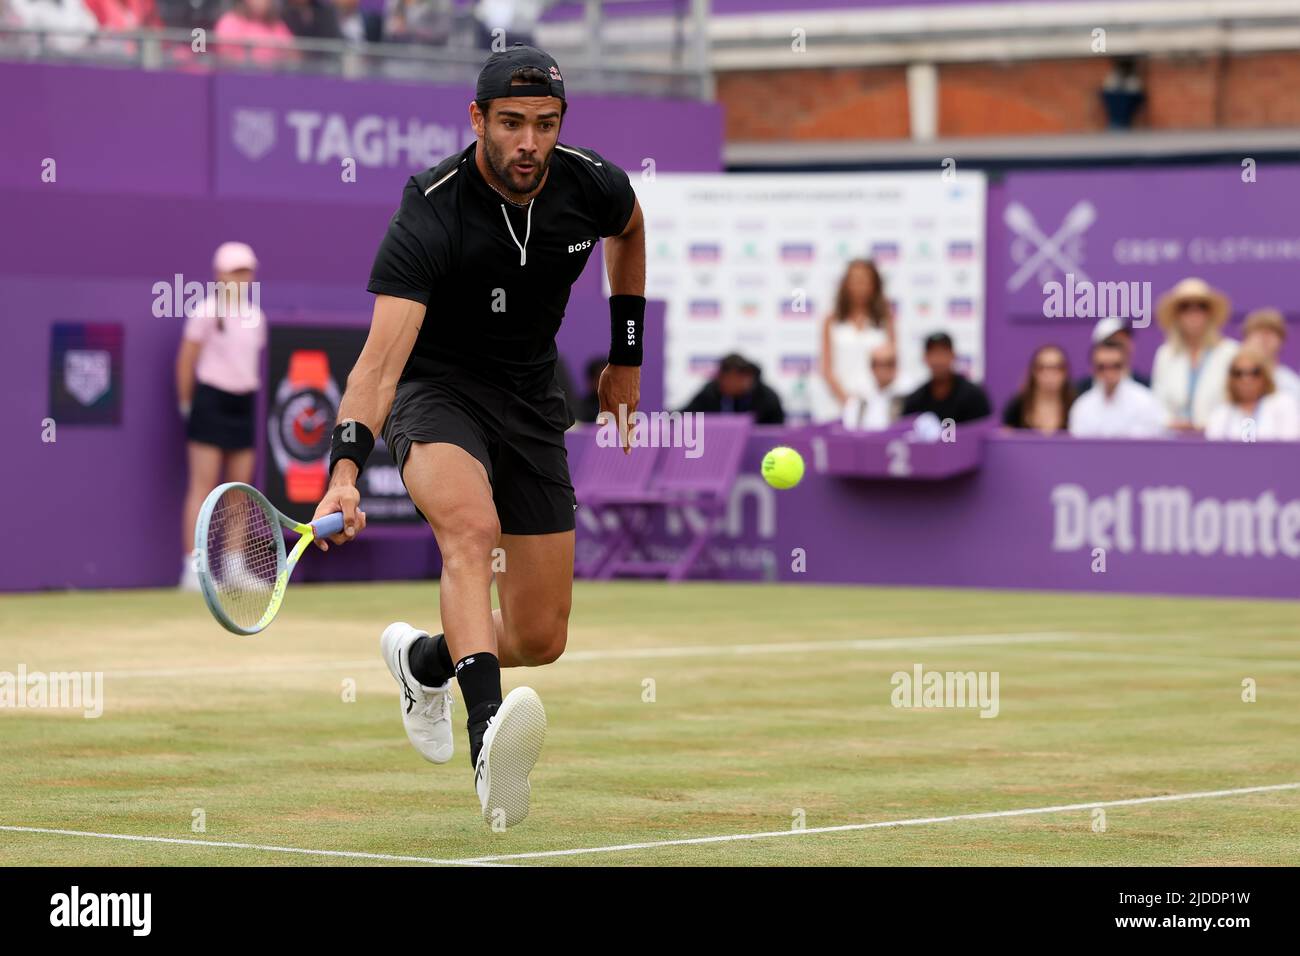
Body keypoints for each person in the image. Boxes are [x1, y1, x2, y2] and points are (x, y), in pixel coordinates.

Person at [308, 45, 644, 830]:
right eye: (512, 124)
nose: (530, 142)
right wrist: (346, 471)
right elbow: (377, 368)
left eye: (546, 125)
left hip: (533, 399)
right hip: (438, 393)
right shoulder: (430, 207)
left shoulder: (590, 183)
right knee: (471, 528)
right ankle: (487, 734)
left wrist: (626, 355)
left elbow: (629, 228)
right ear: (478, 120)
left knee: (540, 634)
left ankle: (424, 663)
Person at [177, 242, 267, 590]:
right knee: (202, 489)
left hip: (243, 405)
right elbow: (186, 361)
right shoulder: (205, 312)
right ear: (219, 275)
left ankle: (234, 568)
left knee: (239, 492)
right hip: (210, 402)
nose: (241, 278)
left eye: (246, 272)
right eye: (235, 271)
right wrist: (187, 406)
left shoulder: (257, 318)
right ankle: (193, 570)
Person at [1150, 277, 1238, 431]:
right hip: (1175, 441)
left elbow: (1240, 402)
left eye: (1201, 306)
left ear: (1209, 313)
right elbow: (1158, 403)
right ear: (1177, 315)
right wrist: (1172, 423)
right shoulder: (1165, 354)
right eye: (1185, 307)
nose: (1193, 313)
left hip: (1219, 439)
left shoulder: (1230, 352)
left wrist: (1210, 426)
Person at [818, 258, 893, 422]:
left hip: (875, 405)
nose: (860, 286)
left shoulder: (885, 319)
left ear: (875, 285)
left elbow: (891, 362)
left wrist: (873, 402)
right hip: (836, 403)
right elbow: (827, 368)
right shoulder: (831, 320)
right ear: (845, 284)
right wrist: (847, 402)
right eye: (854, 280)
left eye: (865, 280)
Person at [1068, 338, 1167, 438]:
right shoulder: (1082, 406)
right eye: (1102, 367)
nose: (1109, 373)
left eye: (1116, 366)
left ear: (1126, 366)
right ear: (1092, 369)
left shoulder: (1145, 401)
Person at [1204, 345, 1300, 442]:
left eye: (1255, 372)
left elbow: (1290, 448)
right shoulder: (1221, 414)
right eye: (1238, 373)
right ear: (1231, 379)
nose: (1246, 379)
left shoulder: (1283, 404)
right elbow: (1213, 452)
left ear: (1265, 376)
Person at [901, 332, 991, 424]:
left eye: (943, 353)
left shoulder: (974, 396)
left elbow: (983, 431)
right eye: (934, 353)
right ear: (925, 357)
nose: (939, 360)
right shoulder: (915, 400)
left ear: (953, 355)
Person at [682, 353, 786, 425]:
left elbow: (776, 431)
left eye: (742, 377)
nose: (736, 382)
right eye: (730, 378)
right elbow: (686, 415)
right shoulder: (710, 393)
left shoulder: (767, 398)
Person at [1002, 344, 1075, 434]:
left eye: (1057, 367)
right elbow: (1005, 441)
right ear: (1033, 371)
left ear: (1065, 372)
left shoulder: (1076, 405)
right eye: (1042, 368)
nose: (1049, 374)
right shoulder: (1017, 405)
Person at [1074, 317, 1149, 394]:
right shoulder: (1081, 391)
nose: (1124, 346)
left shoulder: (1146, 387)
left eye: (1125, 340)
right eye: (1113, 344)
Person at [842, 341, 907, 431]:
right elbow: (850, 427)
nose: (883, 370)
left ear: (896, 366)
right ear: (871, 367)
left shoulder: (908, 394)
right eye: (877, 364)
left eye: (888, 364)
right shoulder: (860, 396)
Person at [213, 0, 300, 66]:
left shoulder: (276, 25)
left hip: (273, 80)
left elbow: (294, 56)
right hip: (237, 79)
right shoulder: (229, 21)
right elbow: (226, 58)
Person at [1240, 307, 1300, 400]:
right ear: (1246, 338)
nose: (1265, 338)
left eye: (1272, 332)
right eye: (1258, 331)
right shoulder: (1232, 378)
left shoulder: (1291, 383)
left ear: (1281, 341)